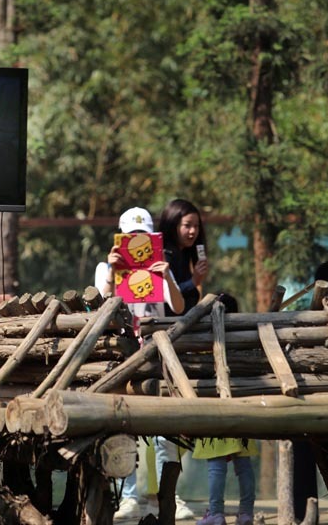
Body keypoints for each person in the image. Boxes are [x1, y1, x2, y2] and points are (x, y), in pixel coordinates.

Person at [95, 207, 193, 520]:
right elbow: (101, 306)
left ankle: (172, 497)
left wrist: (167, 277)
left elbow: (178, 307)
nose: (138, 243)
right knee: (124, 425)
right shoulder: (104, 268)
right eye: (131, 237)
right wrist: (112, 272)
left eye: (143, 237)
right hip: (122, 355)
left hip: (157, 353)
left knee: (166, 430)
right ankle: (128, 498)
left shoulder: (161, 267)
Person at [193, 293, 257, 525]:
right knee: (243, 464)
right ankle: (246, 512)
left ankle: (216, 513)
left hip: (215, 403)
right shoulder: (243, 336)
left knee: (216, 466)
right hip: (241, 402)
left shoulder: (203, 338)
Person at [159, 199, 209, 315]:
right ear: (172, 225)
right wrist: (193, 281)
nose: (193, 231)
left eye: (196, 226)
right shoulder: (164, 256)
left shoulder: (185, 252)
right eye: (187, 225)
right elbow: (167, 295)